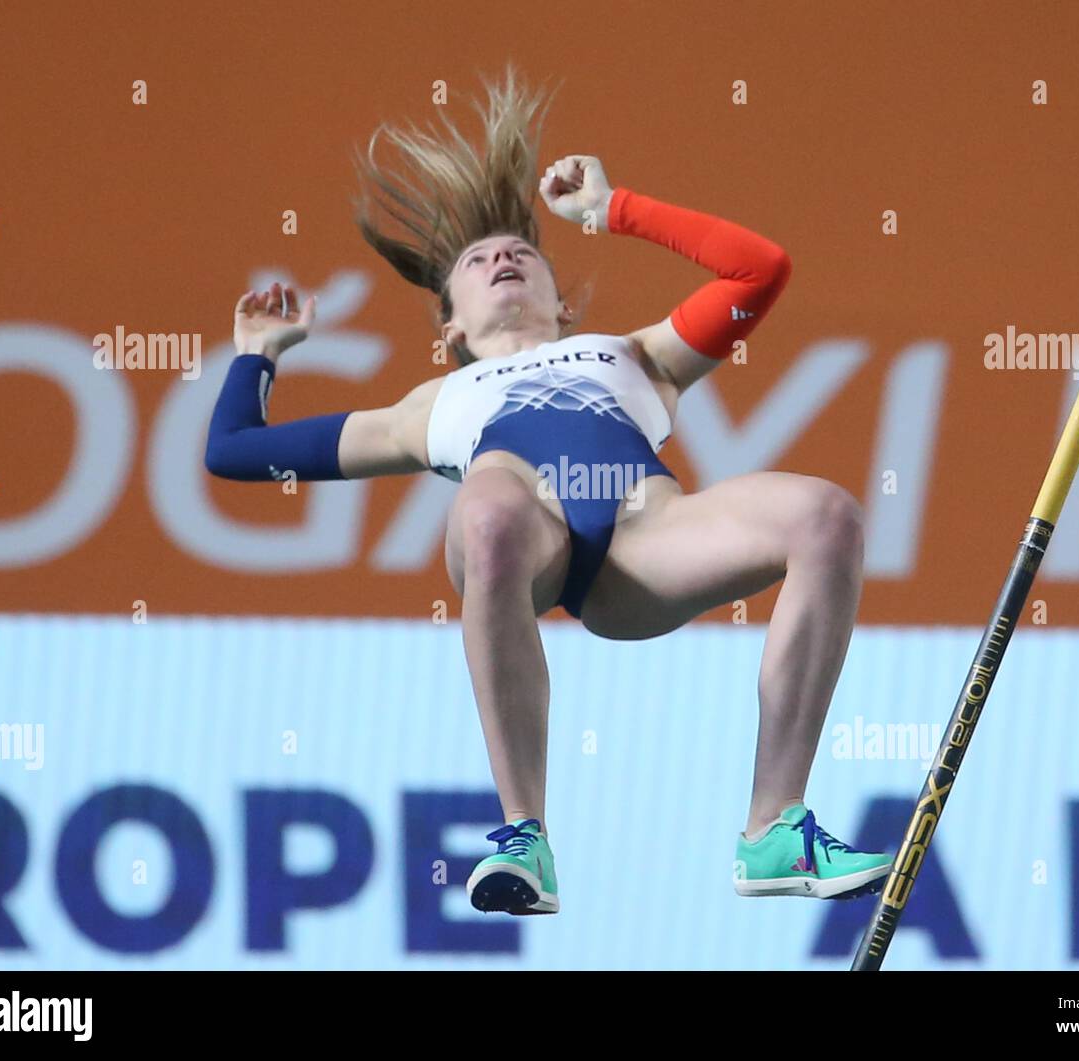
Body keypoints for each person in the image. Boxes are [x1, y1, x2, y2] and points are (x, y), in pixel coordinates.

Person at [206, 66, 890, 916]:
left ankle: (774, 830)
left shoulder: (637, 353)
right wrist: (257, 353)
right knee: (489, 507)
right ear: (449, 325)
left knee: (826, 513)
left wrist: (616, 210)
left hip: (642, 543)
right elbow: (233, 451)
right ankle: (525, 834)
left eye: (522, 253)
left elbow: (760, 271)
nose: (502, 257)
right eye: (478, 258)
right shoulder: (427, 406)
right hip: (520, 540)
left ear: (563, 305)